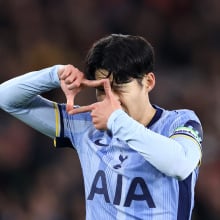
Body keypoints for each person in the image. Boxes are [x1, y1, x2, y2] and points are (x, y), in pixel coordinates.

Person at [0, 34, 203, 220]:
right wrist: (54, 75)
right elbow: (6, 98)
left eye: (119, 87)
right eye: (101, 89)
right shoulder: (87, 124)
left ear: (148, 82)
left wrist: (116, 120)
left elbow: (180, 165)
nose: (110, 99)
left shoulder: (180, 122)